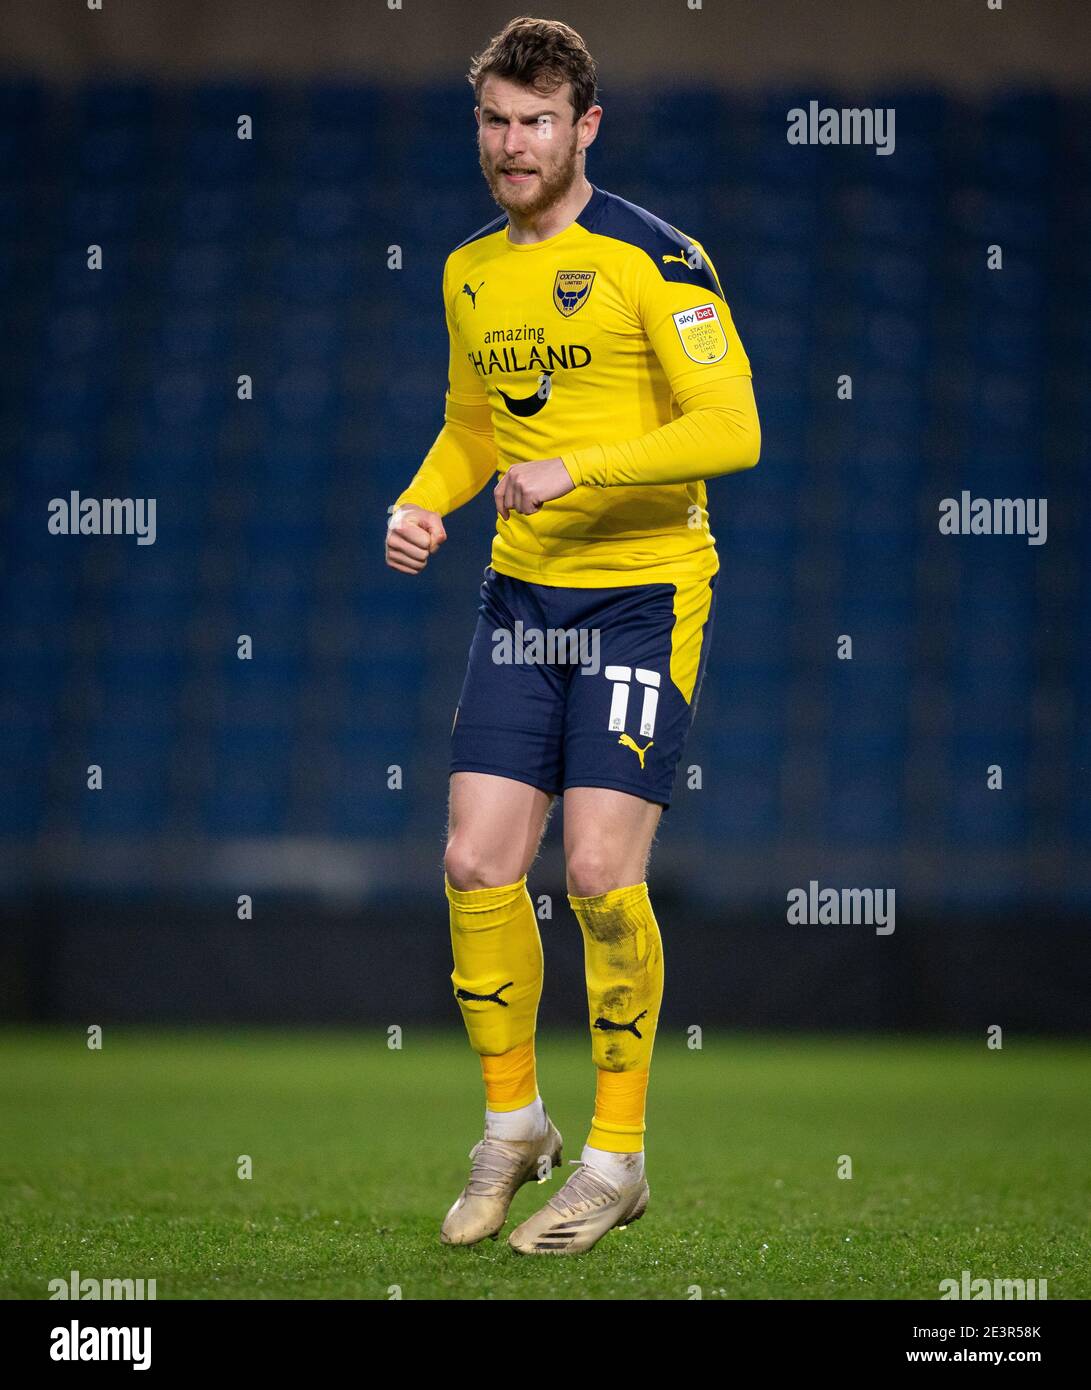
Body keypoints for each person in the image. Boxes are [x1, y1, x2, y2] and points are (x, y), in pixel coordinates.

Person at [385, 15, 760, 1255]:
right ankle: (513, 1130)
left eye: (535, 121)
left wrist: (578, 471)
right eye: (493, 119)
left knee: (598, 875)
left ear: (583, 126)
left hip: (644, 599)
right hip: (520, 599)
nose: (511, 143)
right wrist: (421, 498)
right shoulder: (465, 271)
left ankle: (616, 1156)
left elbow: (732, 430)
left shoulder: (658, 259)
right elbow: (473, 428)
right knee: (474, 863)